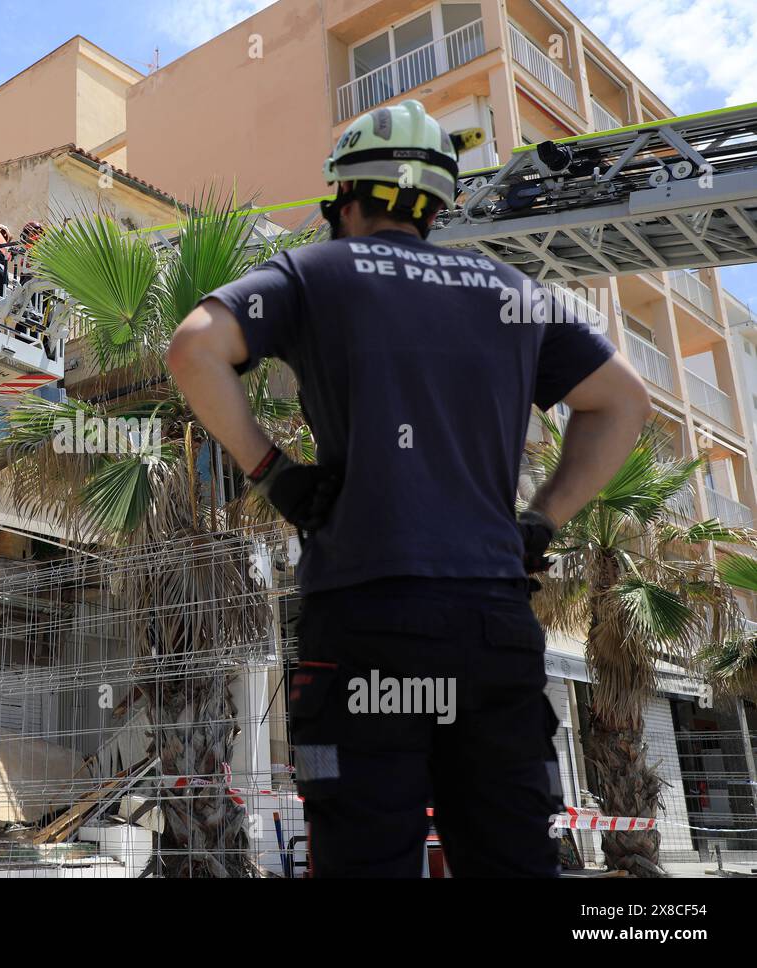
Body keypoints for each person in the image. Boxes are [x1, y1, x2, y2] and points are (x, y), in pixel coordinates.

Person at [166, 99, 650, 877]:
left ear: (342, 198)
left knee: (367, 855)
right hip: (492, 621)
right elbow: (624, 400)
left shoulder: (313, 272)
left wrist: (273, 472)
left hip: (366, 616)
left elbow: (194, 348)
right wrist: (543, 520)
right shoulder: (511, 288)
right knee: (512, 857)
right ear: (438, 202)